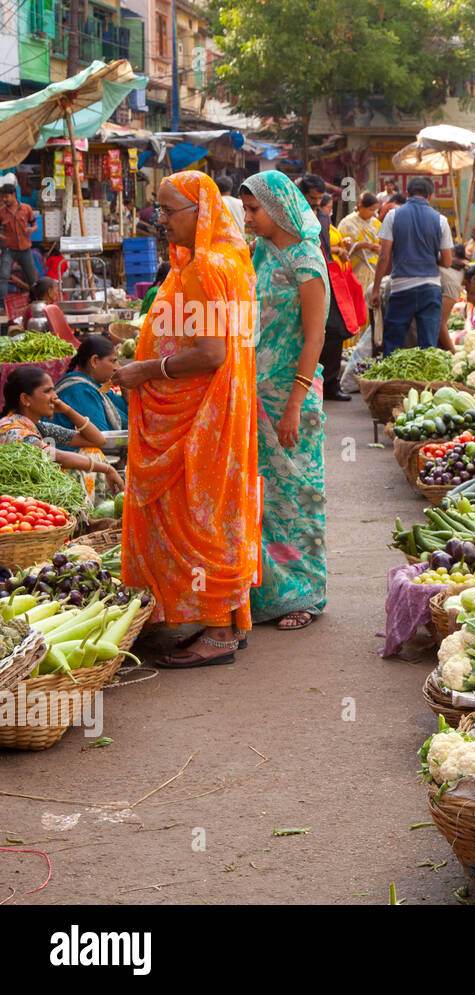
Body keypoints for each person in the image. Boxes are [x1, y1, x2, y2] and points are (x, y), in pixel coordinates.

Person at [108, 171, 260, 667]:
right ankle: (227, 622)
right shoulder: (226, 260)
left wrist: (145, 369)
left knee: (198, 510)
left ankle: (216, 632)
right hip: (217, 409)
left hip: (199, 415)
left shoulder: (205, 267)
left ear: (202, 213)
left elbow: (212, 353)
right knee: (218, 508)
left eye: (169, 210)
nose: (160, 219)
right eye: (159, 208)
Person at [240, 172, 329, 632]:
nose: (248, 218)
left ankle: (306, 594)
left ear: (277, 209)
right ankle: (268, 593)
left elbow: (315, 338)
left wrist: (294, 402)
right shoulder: (261, 253)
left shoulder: (306, 261)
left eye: (254, 209)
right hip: (257, 394)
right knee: (265, 497)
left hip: (293, 396)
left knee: (298, 497)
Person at [0, 366, 123, 495]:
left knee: (92, 452)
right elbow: (58, 457)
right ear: (25, 399)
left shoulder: (38, 426)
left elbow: (97, 440)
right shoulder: (13, 430)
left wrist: (68, 410)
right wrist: (108, 469)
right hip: (17, 498)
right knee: (74, 471)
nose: (55, 397)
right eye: (47, 391)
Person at [371, 175, 454, 355]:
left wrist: (376, 289)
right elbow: (447, 262)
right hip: (430, 288)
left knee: (393, 345)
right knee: (428, 348)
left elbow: (384, 257)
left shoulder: (393, 216)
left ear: (407, 193)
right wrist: (431, 256)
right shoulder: (441, 220)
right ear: (430, 196)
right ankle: (426, 384)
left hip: (402, 288)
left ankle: (391, 383)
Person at [298, 174, 357, 400]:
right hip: (301, 280)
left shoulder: (323, 216)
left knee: (335, 331)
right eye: (311, 199)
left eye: (318, 199)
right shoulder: (291, 216)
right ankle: (310, 386)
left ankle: (330, 384)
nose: (315, 204)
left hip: (327, 278)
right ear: (301, 195)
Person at [52, 335, 128, 434]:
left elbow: (129, 412)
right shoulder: (80, 392)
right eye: (113, 361)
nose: (116, 367)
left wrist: (124, 385)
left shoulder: (97, 387)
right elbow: (101, 437)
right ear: (94, 361)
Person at [338, 191, 383, 303]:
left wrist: (379, 249)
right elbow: (339, 247)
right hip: (355, 269)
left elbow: (384, 246)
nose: (373, 213)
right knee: (358, 301)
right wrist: (356, 246)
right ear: (360, 207)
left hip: (375, 269)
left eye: (376, 210)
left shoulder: (376, 224)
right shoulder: (346, 223)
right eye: (371, 210)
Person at [0, 182, 39, 293]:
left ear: (13, 195)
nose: (4, 199)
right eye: (2, 197)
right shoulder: (1, 212)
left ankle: (37, 301)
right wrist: (2, 237)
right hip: (8, 250)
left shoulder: (27, 209)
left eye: (6, 197)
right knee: (3, 276)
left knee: (32, 279)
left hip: (25, 249)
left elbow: (35, 225)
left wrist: (31, 229)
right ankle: (2, 305)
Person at [21, 276, 76, 344]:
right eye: (56, 289)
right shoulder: (35, 310)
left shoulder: (51, 306)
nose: (57, 293)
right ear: (49, 292)